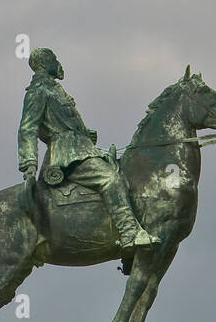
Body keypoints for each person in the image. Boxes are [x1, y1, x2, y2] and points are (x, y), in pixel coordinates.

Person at [18, 48, 159, 251]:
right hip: (67, 156)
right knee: (111, 179)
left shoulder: (55, 89)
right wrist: (29, 163)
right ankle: (129, 233)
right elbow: (28, 127)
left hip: (81, 149)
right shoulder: (39, 91)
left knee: (125, 174)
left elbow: (62, 124)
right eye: (54, 59)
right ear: (43, 63)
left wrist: (84, 134)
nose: (58, 63)